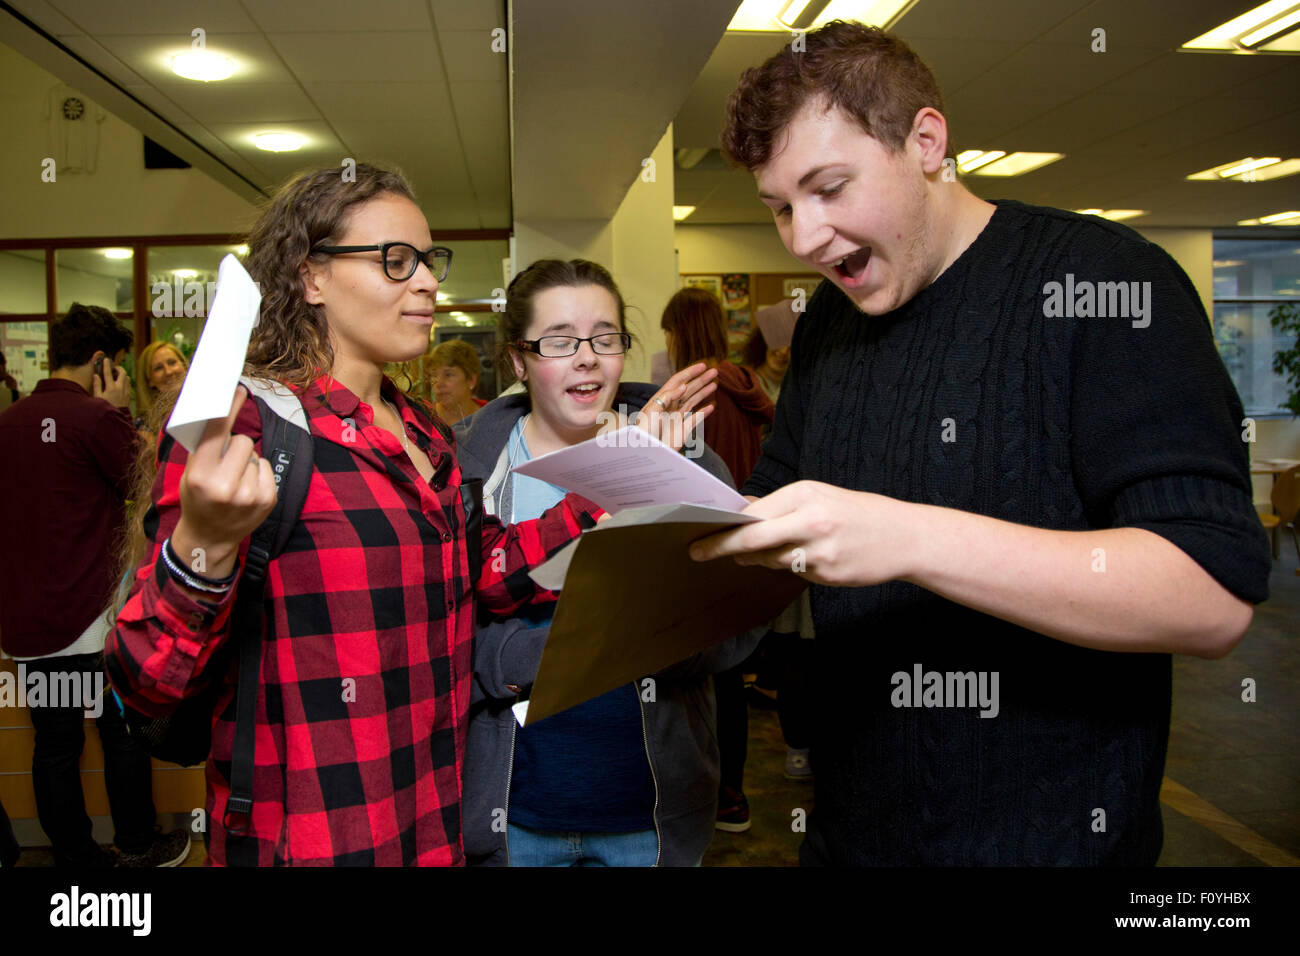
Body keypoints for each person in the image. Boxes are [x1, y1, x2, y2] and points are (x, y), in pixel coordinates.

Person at [692, 21, 1270, 866]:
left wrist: (908, 537)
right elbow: (775, 519)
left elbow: (1212, 594)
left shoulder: (1107, 286)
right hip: (853, 837)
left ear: (926, 142)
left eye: (829, 188)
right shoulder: (828, 330)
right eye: (780, 207)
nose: (804, 238)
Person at [106, 165, 616, 866]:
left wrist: (604, 491)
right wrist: (204, 544)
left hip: (434, 826)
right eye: (395, 261)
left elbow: (486, 577)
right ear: (311, 278)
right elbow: (146, 679)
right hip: (317, 837)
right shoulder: (249, 425)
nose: (429, 282)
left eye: (429, 261)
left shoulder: (429, 433)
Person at [456, 258, 759, 866]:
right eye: (560, 341)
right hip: (515, 811)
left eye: (605, 337)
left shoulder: (689, 459)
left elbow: (737, 631)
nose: (587, 357)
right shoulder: (467, 466)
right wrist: (549, 653)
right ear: (518, 360)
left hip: (648, 814)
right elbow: (446, 626)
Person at [0, 303, 188, 868]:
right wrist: (121, 413)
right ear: (104, 362)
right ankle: (136, 843)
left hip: (26, 621)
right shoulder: (95, 418)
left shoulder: (8, 421)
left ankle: (74, 857)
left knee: (54, 745)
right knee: (120, 732)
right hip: (90, 618)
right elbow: (153, 485)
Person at [660, 286, 774, 832]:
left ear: (678, 332)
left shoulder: (695, 391)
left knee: (709, 677)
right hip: (749, 533)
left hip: (703, 534)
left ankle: (717, 792)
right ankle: (735, 793)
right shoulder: (747, 386)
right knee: (731, 675)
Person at [660, 287, 774, 488]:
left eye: (668, 331)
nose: (667, 340)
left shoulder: (702, 390)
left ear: (684, 333)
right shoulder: (739, 379)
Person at [427, 338, 487, 425]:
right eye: (434, 375)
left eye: (448, 375)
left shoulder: (491, 416)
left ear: (471, 381)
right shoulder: (424, 421)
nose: (438, 383)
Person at [135, 340, 188, 417]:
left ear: (184, 366)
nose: (168, 372)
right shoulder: (146, 425)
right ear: (149, 381)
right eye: (158, 368)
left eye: (172, 363)